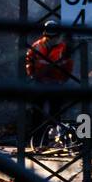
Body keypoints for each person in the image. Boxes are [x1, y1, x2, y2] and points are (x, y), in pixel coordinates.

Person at [24, 19, 73, 148]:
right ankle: (37, 140)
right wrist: (32, 74)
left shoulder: (63, 48)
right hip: (39, 83)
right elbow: (29, 61)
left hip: (56, 84)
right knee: (37, 112)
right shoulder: (37, 46)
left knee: (55, 113)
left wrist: (63, 79)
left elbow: (68, 65)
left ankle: (54, 139)